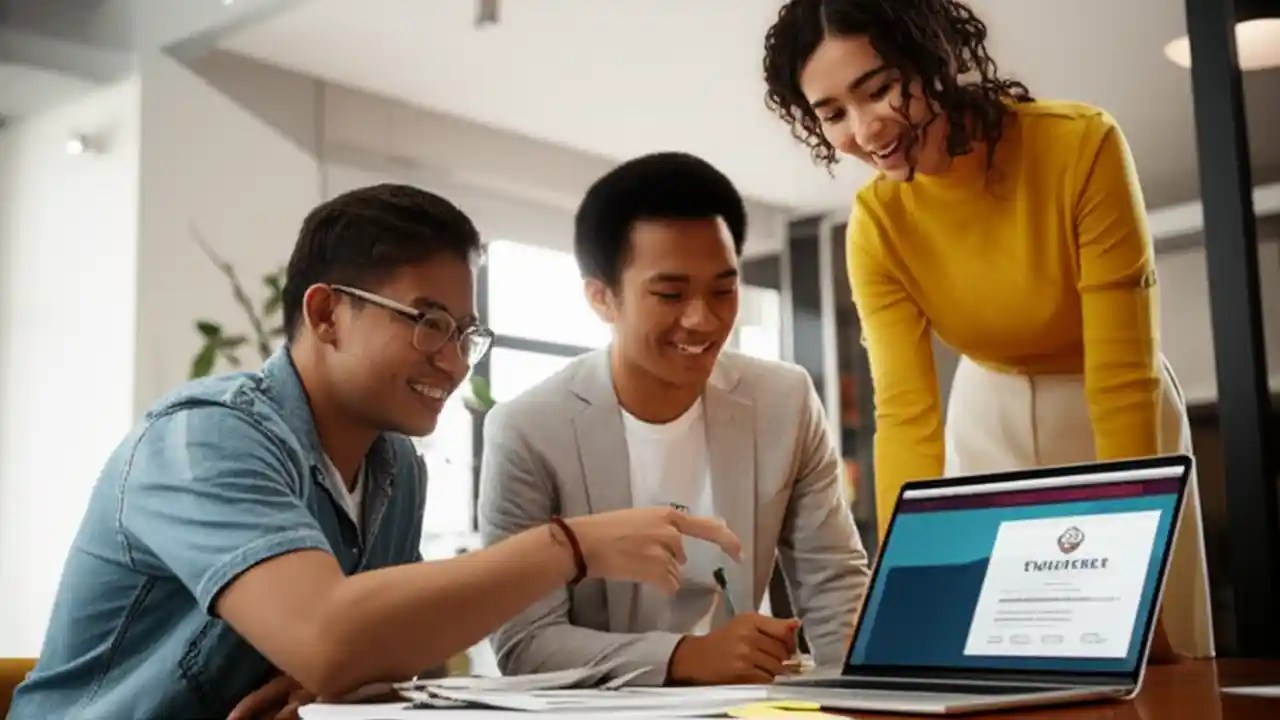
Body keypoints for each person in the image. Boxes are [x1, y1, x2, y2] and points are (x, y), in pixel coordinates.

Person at [7, 184, 741, 720]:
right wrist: (570, 546)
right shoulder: (204, 439)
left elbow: (377, 657)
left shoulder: (396, 469)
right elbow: (330, 635)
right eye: (426, 323)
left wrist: (336, 682)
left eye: (465, 332)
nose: (454, 363)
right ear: (326, 313)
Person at [761, 0, 1214, 659]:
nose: (866, 128)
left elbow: (1122, 378)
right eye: (832, 114)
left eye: (881, 88)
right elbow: (907, 419)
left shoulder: (1080, 144)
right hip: (988, 415)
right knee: (998, 647)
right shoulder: (878, 225)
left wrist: (1135, 572)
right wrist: (904, 592)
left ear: (933, 56)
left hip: (1117, 410)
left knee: (1148, 647)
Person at [479, 152, 871, 686]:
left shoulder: (785, 400)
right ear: (601, 297)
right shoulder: (527, 431)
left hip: (743, 706)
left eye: (723, 290)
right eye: (670, 294)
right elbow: (524, 641)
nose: (703, 320)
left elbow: (834, 586)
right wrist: (686, 656)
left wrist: (866, 697)